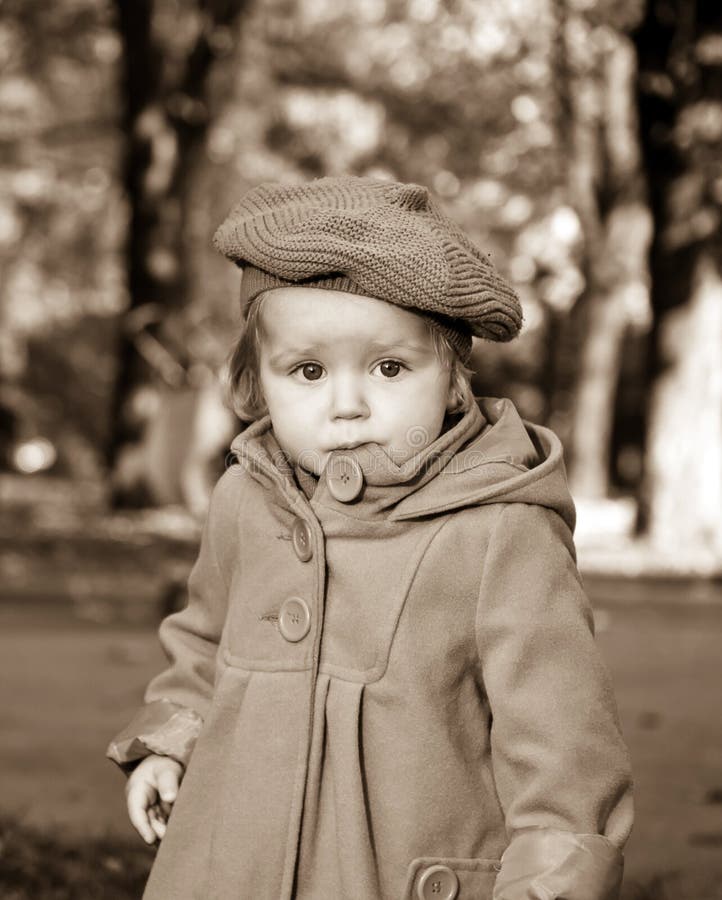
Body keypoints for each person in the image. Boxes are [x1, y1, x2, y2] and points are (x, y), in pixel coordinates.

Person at [107, 176, 633, 900]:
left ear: (452, 380)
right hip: (228, 861)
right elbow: (204, 643)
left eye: (389, 368)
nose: (346, 406)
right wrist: (170, 743)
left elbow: (562, 747)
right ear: (256, 384)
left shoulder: (500, 529)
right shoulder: (245, 500)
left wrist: (549, 883)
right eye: (308, 371)